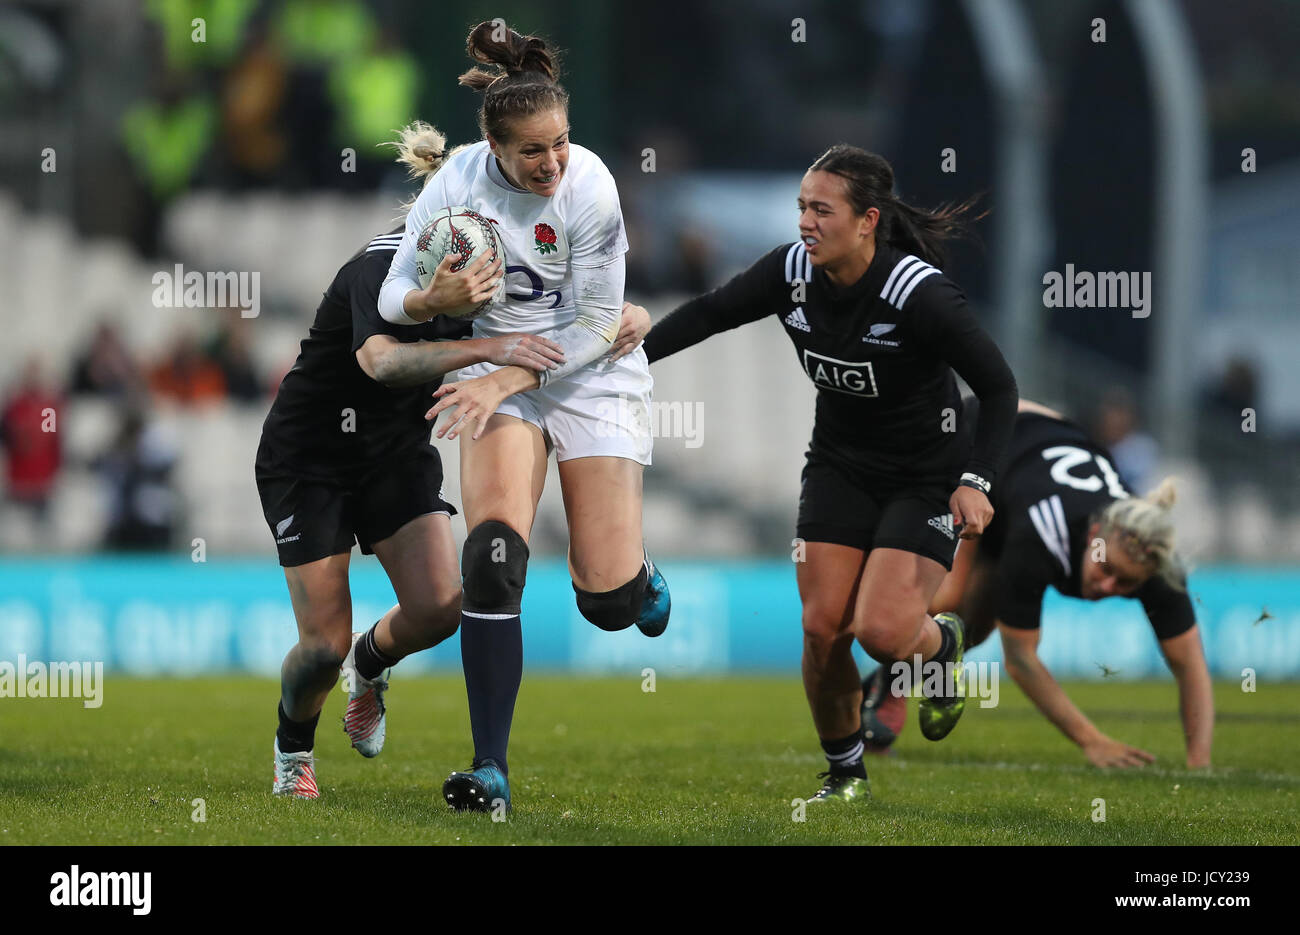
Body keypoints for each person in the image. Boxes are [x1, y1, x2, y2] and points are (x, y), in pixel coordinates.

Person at [257, 117, 652, 799]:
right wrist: (485, 351)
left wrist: (632, 313)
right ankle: (293, 747)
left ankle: (370, 664)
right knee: (319, 646)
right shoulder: (378, 268)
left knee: (443, 605)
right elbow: (380, 362)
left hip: (395, 454)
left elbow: (566, 309)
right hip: (310, 456)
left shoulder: (489, 269)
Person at [638, 144, 1018, 804]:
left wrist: (977, 480)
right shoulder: (789, 273)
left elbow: (999, 386)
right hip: (840, 465)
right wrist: (630, 360)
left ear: (868, 220)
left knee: (882, 632)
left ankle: (940, 647)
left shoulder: (915, 293)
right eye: (801, 208)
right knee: (821, 629)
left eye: (822, 209)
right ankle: (845, 774)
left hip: (925, 475)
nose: (805, 223)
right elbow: (710, 312)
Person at [380, 23, 670, 813]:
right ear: (493, 148)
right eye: (533, 152)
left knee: (606, 604)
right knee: (494, 554)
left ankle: (638, 583)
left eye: (562, 143)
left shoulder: (592, 186)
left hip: (589, 371)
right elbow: (388, 293)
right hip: (495, 367)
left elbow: (597, 325)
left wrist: (503, 376)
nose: (553, 164)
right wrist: (426, 302)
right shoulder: (456, 185)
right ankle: (490, 769)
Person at [861, 398, 1214, 769]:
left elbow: (1190, 664)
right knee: (946, 601)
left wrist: (1199, 764)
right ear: (1094, 530)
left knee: (973, 628)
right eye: (1105, 567)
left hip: (1023, 475)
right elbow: (1021, 660)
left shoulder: (1153, 560)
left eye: (1125, 583)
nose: (1108, 586)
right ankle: (886, 683)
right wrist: (1091, 740)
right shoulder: (1043, 533)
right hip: (979, 441)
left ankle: (884, 684)